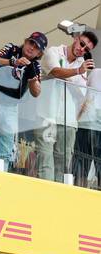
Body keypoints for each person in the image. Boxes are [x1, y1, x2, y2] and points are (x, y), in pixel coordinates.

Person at [0, 31, 45, 171]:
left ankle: (0, 184)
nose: (31, 47)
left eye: (36, 47)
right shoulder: (12, 49)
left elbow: (36, 92)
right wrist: (13, 62)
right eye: (31, 42)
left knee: (5, 152)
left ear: (39, 53)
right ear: (25, 41)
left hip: (11, 107)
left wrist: (32, 80)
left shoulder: (35, 66)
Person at [39, 31, 96, 182]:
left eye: (86, 49)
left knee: (63, 165)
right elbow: (55, 71)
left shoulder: (82, 65)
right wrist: (77, 72)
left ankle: (55, 202)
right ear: (76, 39)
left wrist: (75, 75)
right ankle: (43, 200)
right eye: (82, 44)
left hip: (69, 121)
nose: (82, 49)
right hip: (47, 116)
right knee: (45, 161)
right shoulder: (54, 52)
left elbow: (81, 97)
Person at [73, 63, 101, 187]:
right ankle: (77, 198)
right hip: (85, 124)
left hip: (96, 127)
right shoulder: (95, 73)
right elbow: (83, 96)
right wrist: (78, 118)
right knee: (80, 166)